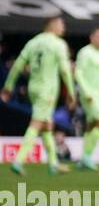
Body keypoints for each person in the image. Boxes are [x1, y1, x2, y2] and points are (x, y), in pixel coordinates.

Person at [2, 15, 76, 175]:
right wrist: (71, 91)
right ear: (52, 24)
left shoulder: (33, 42)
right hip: (47, 90)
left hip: (33, 87)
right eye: (61, 24)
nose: (63, 27)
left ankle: (53, 163)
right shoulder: (58, 44)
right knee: (37, 123)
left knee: (47, 126)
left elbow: (18, 65)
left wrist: (8, 85)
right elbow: (64, 69)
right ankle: (18, 160)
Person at [74, 28, 99, 170]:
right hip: (89, 94)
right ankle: (87, 156)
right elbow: (78, 73)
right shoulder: (85, 52)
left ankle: (84, 159)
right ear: (92, 37)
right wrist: (86, 92)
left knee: (91, 126)